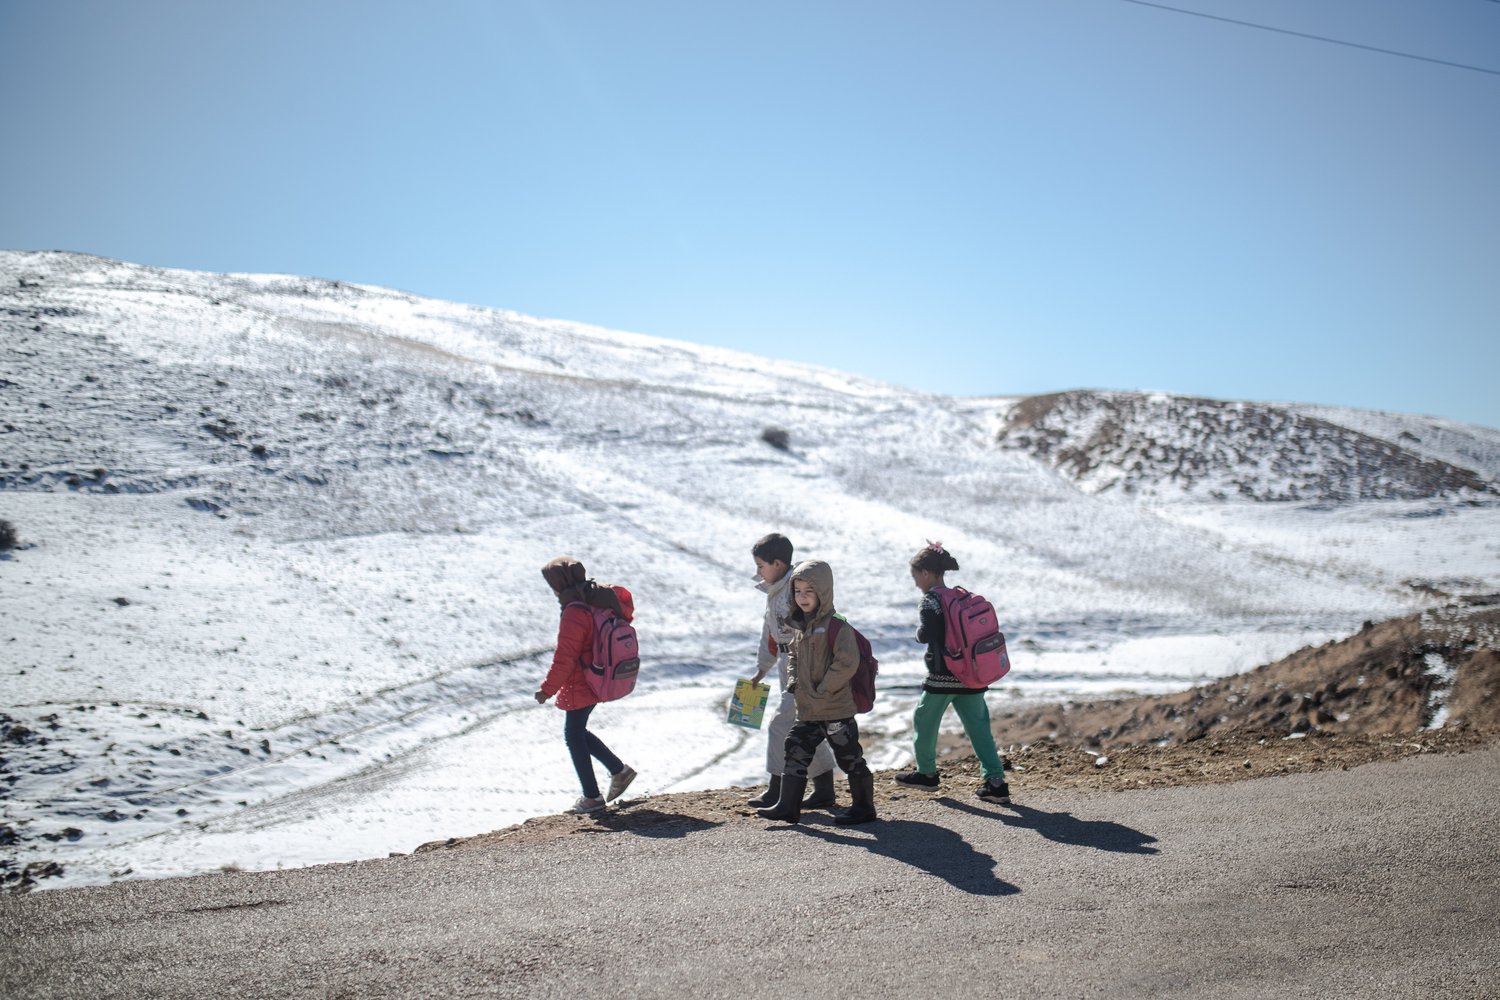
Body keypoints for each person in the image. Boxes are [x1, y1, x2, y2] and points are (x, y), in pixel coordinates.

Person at [757, 559, 876, 825]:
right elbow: (794, 660)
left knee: (849, 757)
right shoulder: (801, 627)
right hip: (809, 709)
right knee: (795, 748)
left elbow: (846, 663)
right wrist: (792, 683)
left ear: (823, 592)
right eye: (797, 591)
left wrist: (823, 689)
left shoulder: (837, 626)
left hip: (835, 710)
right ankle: (787, 807)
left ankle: (864, 807)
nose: (802, 597)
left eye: (809, 591)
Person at [895, 542, 1011, 804]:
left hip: (944, 676)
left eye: (916, 577)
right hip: (971, 674)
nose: (916, 583)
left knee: (923, 721)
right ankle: (996, 782)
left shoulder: (932, 601)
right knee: (979, 728)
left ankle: (926, 774)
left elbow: (928, 633)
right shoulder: (960, 595)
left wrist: (918, 634)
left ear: (926, 573)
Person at [535, 556, 637, 814]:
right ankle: (618, 771)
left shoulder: (574, 610)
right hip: (599, 675)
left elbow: (565, 656)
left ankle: (592, 797)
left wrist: (548, 688)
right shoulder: (596, 599)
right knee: (578, 732)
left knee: (573, 735)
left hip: (583, 679)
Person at [745, 533, 837, 810]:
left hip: (804, 665)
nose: (758, 572)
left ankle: (776, 788)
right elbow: (769, 633)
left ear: (778, 563)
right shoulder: (774, 591)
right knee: (806, 724)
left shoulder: (797, 588)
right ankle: (824, 789)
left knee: (780, 724)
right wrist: (762, 669)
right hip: (788, 665)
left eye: (761, 566)